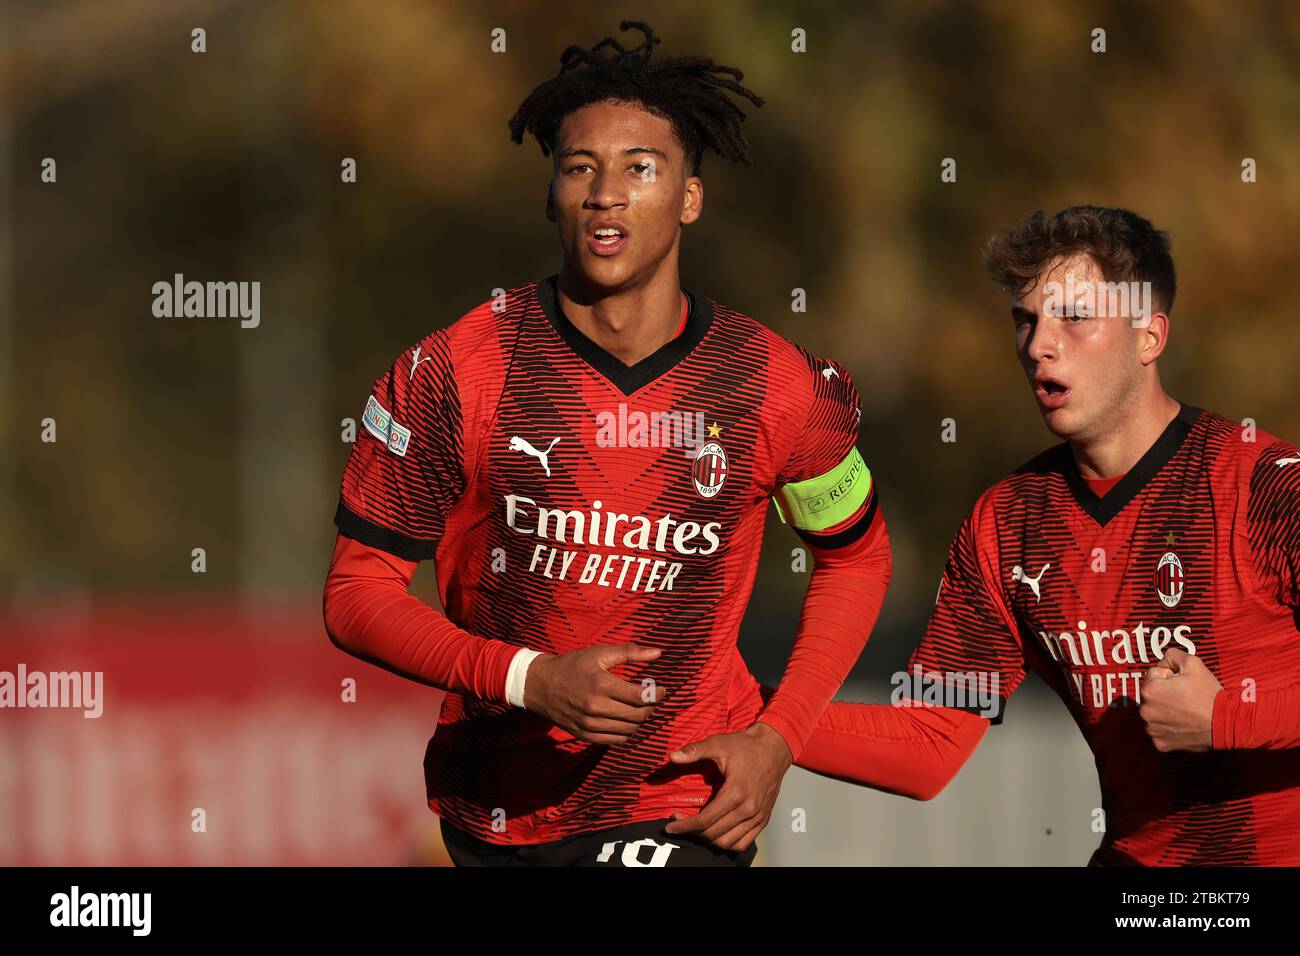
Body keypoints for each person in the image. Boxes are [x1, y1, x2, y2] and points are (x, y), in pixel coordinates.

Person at [322, 21, 891, 867]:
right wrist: (529, 680)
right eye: (580, 168)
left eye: (641, 167)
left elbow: (855, 558)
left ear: (690, 198)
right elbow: (355, 595)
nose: (606, 193)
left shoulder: (778, 385)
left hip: (678, 804)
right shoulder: (455, 371)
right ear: (551, 193)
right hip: (493, 813)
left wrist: (778, 736)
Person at [743, 205, 1300, 865]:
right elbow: (930, 738)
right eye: (1027, 319)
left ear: (1149, 337)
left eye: (1073, 317)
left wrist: (1226, 721)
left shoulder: (1265, 486)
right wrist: (739, 710)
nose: (1039, 344)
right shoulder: (1007, 523)